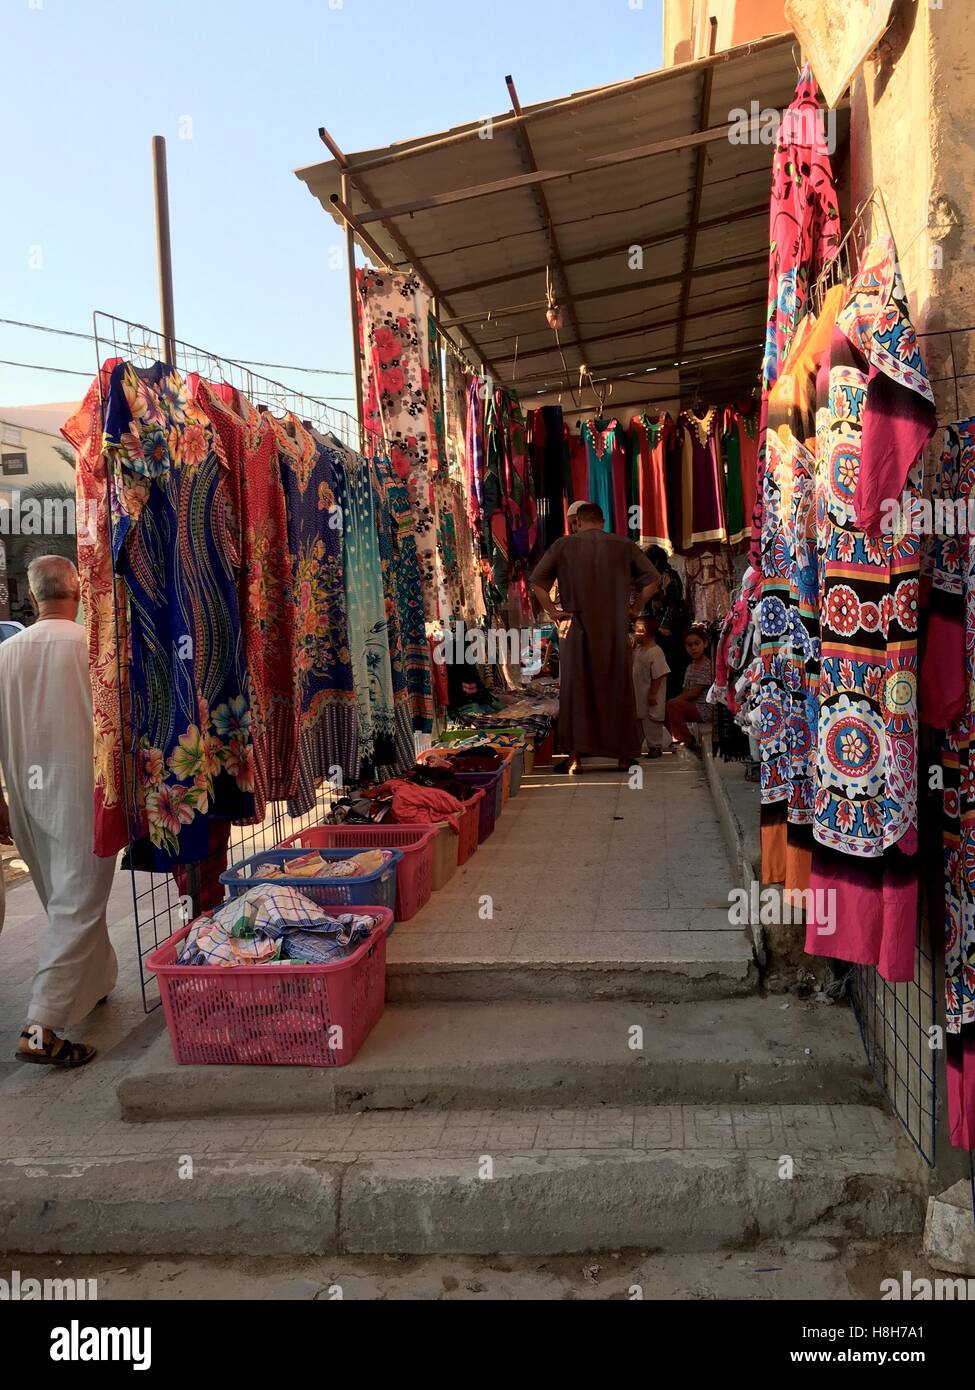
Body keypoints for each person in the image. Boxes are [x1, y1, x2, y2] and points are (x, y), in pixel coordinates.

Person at [0, 556, 117, 1068]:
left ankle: (94, 984)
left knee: (62, 897)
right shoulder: (94, 650)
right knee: (78, 900)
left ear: (32, 595)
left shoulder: (5, 654)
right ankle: (41, 1026)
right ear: (78, 590)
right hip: (81, 792)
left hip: (27, 794)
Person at [530, 502, 659, 773]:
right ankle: (624, 755)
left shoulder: (562, 546)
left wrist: (554, 612)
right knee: (618, 687)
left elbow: (537, 583)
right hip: (613, 628)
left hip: (576, 628)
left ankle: (575, 757)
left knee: (577, 689)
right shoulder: (624, 545)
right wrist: (634, 609)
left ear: (577, 521)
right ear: (603, 520)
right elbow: (653, 580)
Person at [645, 544, 689, 699]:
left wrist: (665, 624)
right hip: (659, 627)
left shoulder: (669, 575)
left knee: (671, 663)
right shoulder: (654, 576)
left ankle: (671, 697)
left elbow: (674, 602)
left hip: (671, 628)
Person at [665, 625, 714, 754]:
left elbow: (695, 692)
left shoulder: (706, 665)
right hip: (691, 706)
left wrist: (675, 701)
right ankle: (682, 737)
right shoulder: (690, 667)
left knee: (672, 705)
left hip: (703, 709)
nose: (693, 648)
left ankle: (684, 740)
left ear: (705, 644)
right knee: (664, 711)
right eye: (690, 645)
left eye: (697, 644)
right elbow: (686, 691)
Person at [632, 616, 670, 758]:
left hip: (650, 695)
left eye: (636, 630)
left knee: (652, 722)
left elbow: (659, 674)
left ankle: (655, 746)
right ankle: (635, 746)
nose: (634, 633)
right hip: (639, 694)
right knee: (638, 722)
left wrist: (653, 693)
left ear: (644, 631)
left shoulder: (655, 652)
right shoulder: (639, 650)